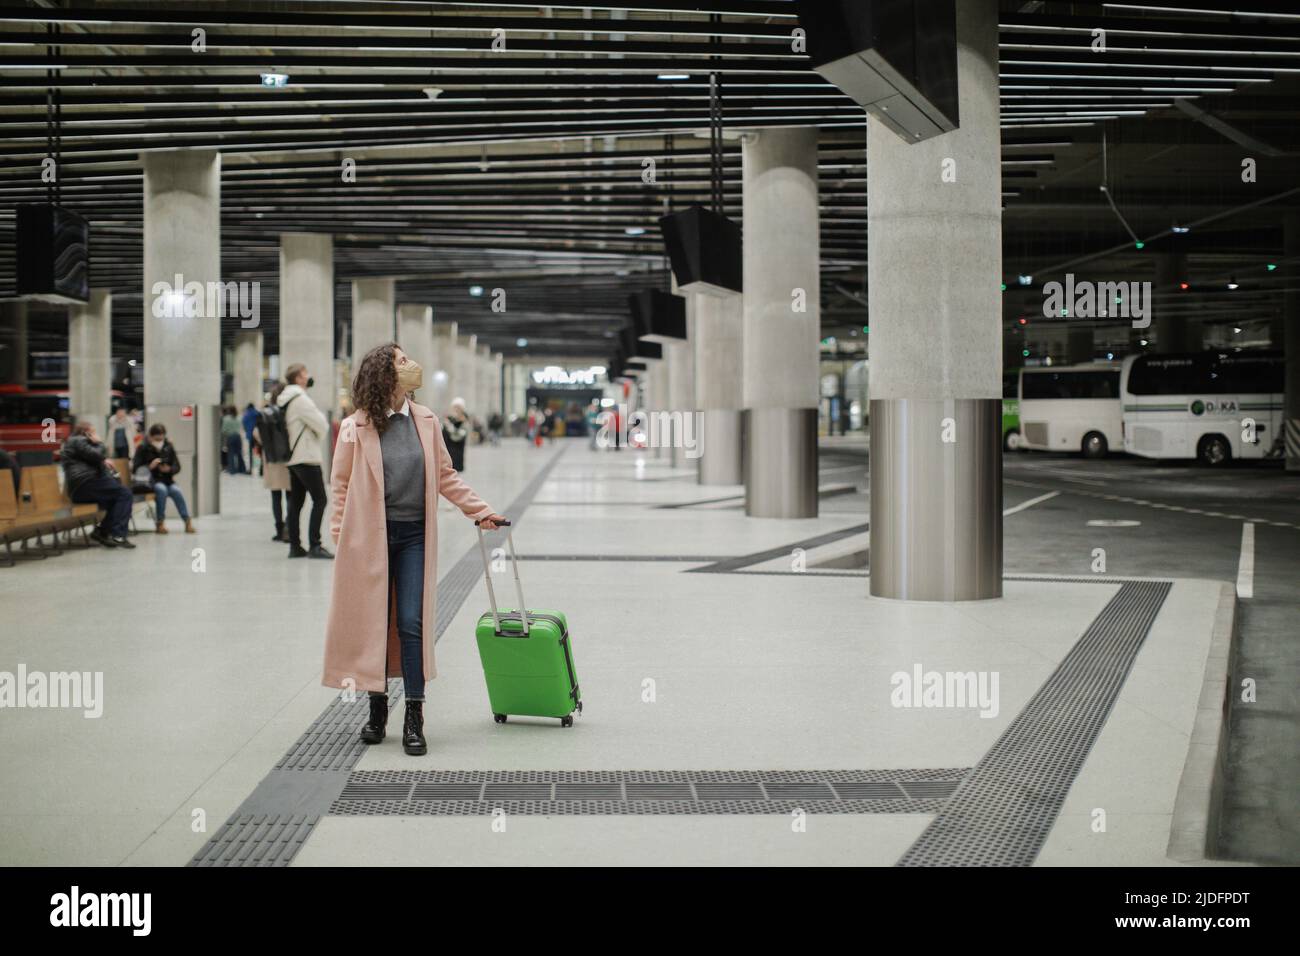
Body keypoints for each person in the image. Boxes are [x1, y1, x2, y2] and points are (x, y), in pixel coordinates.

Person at [322, 343, 506, 755]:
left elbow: (445, 475)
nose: (411, 366)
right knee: (374, 623)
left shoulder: (426, 420)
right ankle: (377, 709)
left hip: (413, 537)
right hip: (369, 538)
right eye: (401, 362)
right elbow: (340, 485)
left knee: (410, 622)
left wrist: (482, 512)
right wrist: (341, 537)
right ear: (384, 375)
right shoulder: (357, 426)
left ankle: (414, 716)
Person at [279, 363, 332, 559]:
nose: (308, 376)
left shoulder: (284, 398)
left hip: (293, 457)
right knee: (320, 499)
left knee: (296, 502)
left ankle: (295, 546)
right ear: (299, 378)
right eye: (305, 373)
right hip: (307, 456)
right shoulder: (301, 399)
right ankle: (315, 545)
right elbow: (322, 425)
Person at [60, 421, 135, 549]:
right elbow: (98, 455)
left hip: (86, 485)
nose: (97, 435)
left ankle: (102, 532)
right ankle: (118, 535)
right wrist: (99, 443)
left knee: (116, 498)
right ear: (87, 433)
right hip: (84, 484)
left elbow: (97, 459)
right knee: (125, 494)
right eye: (94, 432)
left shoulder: (82, 444)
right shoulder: (78, 441)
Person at [132, 423, 195, 534]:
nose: (159, 441)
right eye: (156, 439)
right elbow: (135, 467)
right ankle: (160, 522)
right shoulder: (143, 448)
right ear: (151, 437)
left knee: (177, 491)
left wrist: (169, 469)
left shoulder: (168, 447)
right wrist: (149, 466)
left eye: (161, 438)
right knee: (161, 490)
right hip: (152, 481)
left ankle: (187, 521)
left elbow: (177, 466)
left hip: (168, 480)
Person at [252, 384, 293, 542]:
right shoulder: (287, 412)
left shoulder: (266, 412)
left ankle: (279, 529)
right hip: (288, 458)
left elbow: (257, 433)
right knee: (291, 496)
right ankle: (288, 529)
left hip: (271, 459)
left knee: (275, 496)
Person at [442, 397, 470, 472]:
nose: (456, 409)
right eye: (455, 407)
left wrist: (450, 427)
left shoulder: (464, 421)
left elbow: (458, 436)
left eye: (458, 407)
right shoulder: (449, 419)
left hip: (457, 452)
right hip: (447, 451)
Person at [220, 406, 245, 474]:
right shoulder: (239, 418)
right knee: (239, 453)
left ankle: (232, 469)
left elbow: (223, 430)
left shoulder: (226, 419)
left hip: (230, 437)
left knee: (230, 454)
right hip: (238, 436)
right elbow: (241, 427)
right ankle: (241, 469)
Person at [241, 402, 260, 474]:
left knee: (250, 453)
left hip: (250, 435)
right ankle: (260, 468)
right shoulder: (257, 413)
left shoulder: (246, 415)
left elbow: (244, 423)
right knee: (259, 452)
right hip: (257, 435)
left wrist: (247, 430)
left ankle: (250, 469)